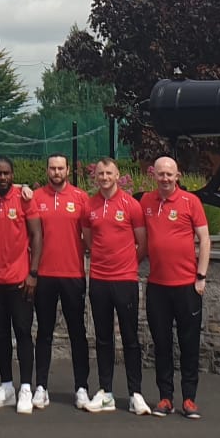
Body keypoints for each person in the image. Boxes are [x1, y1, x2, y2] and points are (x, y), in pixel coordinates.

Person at [143, 155, 210, 419]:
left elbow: (205, 239)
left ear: (177, 175)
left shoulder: (190, 202)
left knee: (189, 343)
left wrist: (201, 276)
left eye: (169, 174)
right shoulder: (146, 202)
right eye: (161, 174)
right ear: (154, 176)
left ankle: (189, 398)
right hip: (157, 286)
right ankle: (165, 397)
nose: (165, 178)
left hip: (186, 286)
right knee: (161, 344)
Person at [84, 156, 151, 415]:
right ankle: (106, 392)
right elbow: (89, 241)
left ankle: (135, 394)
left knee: (130, 338)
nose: (104, 178)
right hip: (99, 280)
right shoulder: (89, 206)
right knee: (103, 338)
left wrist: (126, 264)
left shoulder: (131, 205)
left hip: (125, 281)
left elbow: (142, 243)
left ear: (117, 175)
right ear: (96, 177)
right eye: (100, 174)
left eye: (108, 173)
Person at [28, 153, 93, 411]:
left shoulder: (81, 198)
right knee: (43, 333)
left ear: (68, 170)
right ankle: (41, 387)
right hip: (44, 276)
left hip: (73, 275)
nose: (56, 172)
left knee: (78, 334)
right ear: (47, 171)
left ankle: (81, 388)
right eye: (52, 168)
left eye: (60, 168)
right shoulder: (35, 198)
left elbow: (89, 237)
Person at [0, 156, 39, 413]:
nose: (3, 177)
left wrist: (33, 273)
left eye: (7, 173)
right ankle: (7, 386)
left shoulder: (24, 198)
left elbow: (36, 236)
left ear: (13, 174)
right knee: (0, 336)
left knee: (23, 333)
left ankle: (25, 387)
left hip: (21, 280)